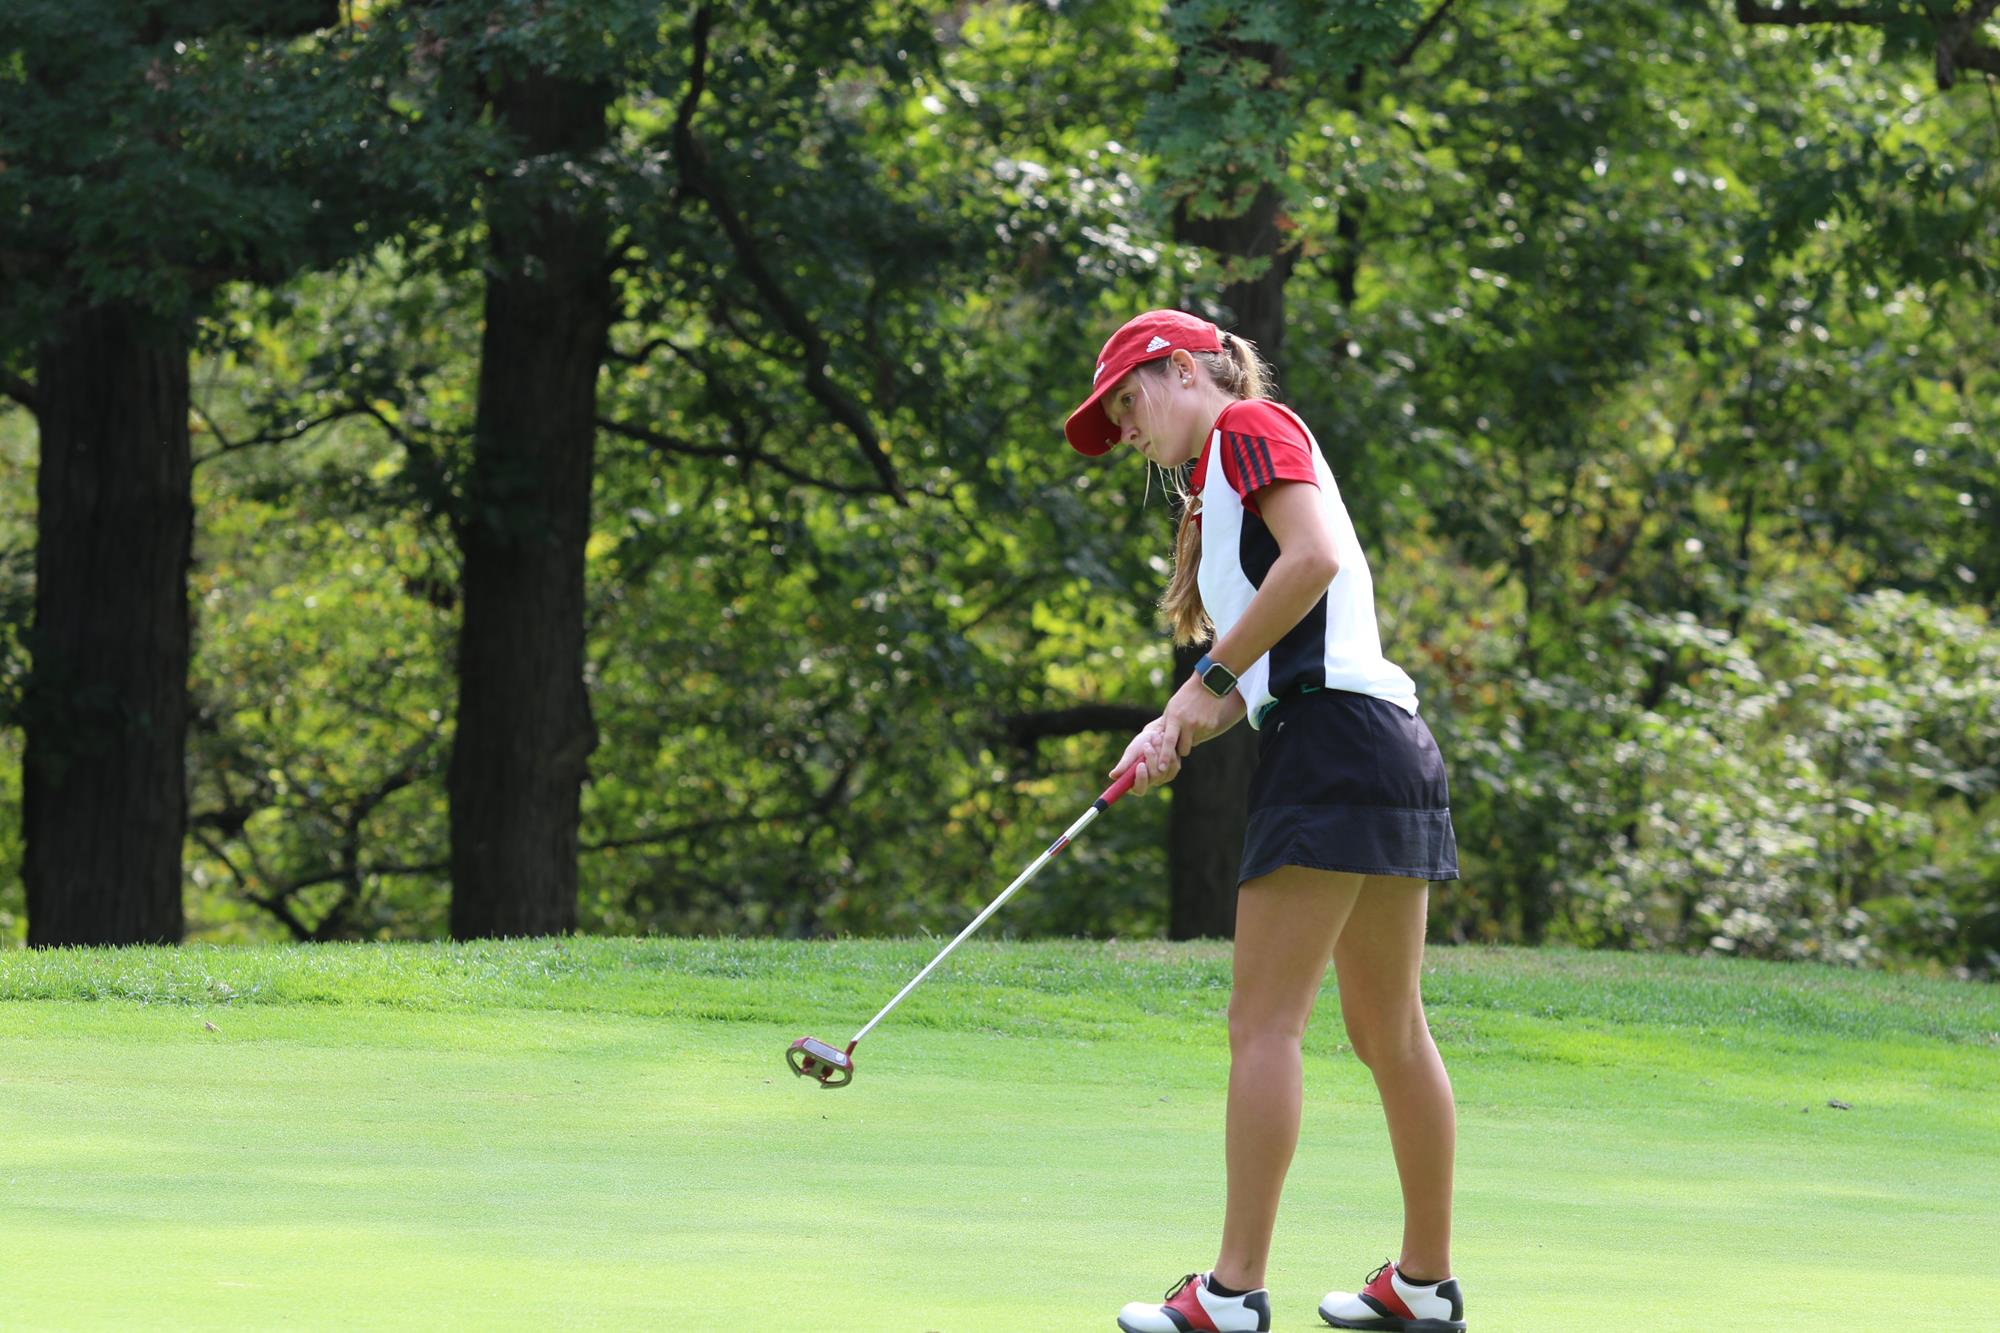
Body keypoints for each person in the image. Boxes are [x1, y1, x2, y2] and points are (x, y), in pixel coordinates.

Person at [1064, 310, 1466, 1333]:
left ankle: (1232, 1291)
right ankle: (1423, 1285)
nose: (1126, 428)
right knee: (1385, 1031)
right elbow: (1286, 650)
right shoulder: (1220, 484)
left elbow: (1315, 560)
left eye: (1130, 398)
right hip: (1377, 744)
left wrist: (1205, 681)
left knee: (1263, 1023)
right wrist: (1176, 726)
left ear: (1188, 370)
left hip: (1332, 750)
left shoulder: (1247, 426)